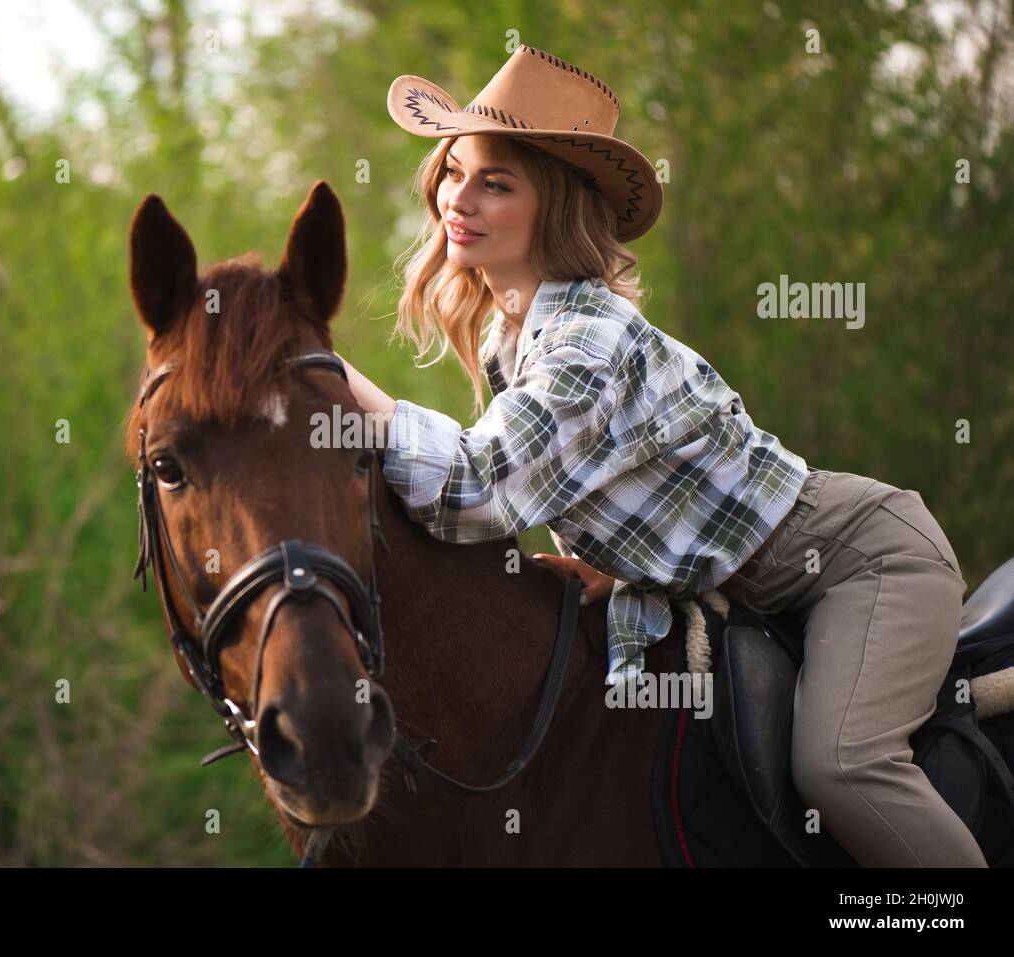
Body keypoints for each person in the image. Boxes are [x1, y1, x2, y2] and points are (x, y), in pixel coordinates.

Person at [336, 44, 987, 867]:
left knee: (842, 765)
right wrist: (606, 564)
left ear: (555, 208)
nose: (457, 199)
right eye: (454, 171)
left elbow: (476, 489)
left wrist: (340, 384)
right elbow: (604, 485)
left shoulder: (586, 341)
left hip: (862, 557)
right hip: (755, 574)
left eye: (495, 182)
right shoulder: (516, 340)